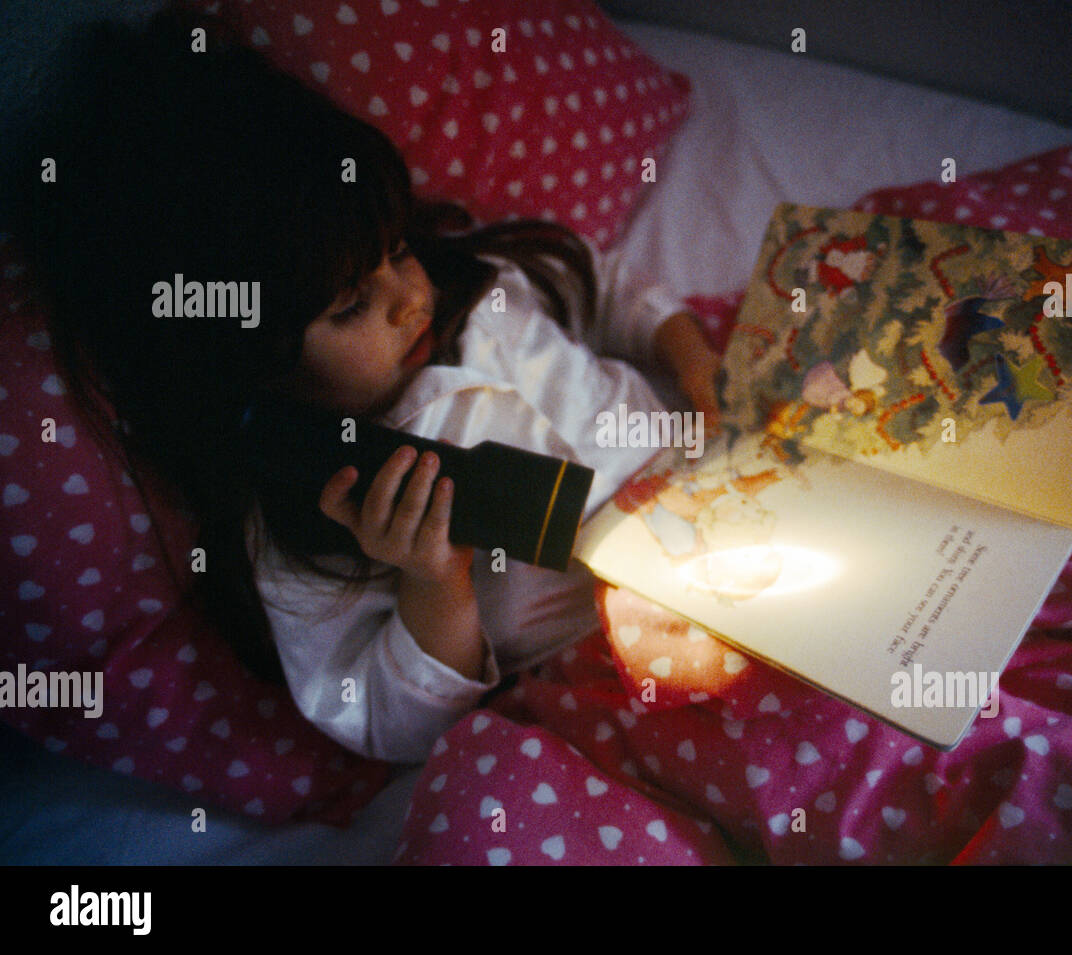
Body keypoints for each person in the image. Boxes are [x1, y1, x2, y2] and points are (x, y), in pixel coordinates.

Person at [14, 11, 720, 761]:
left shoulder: (481, 293)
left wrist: (689, 356)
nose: (409, 297)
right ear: (251, 361)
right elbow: (391, 724)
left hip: (728, 489)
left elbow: (602, 286)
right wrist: (436, 582)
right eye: (352, 304)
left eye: (397, 249)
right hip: (616, 657)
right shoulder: (315, 520)